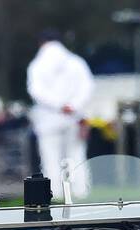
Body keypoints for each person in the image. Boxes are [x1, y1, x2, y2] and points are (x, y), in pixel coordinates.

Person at [26, 29, 94, 200]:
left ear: (41, 42)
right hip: (74, 117)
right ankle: (80, 191)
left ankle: (54, 193)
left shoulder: (37, 64)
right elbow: (88, 86)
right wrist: (73, 106)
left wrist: (58, 105)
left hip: (48, 118)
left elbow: (36, 91)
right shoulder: (76, 61)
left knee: (50, 158)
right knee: (77, 156)